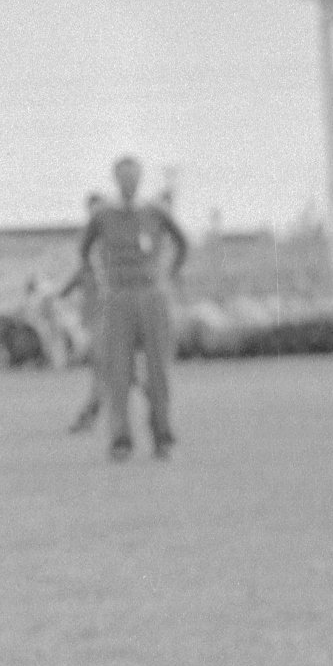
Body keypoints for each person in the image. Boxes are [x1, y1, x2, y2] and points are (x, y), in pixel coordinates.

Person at [75, 156, 191, 461]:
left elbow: (182, 243)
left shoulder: (155, 211)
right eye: (124, 178)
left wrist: (168, 273)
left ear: (140, 179)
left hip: (151, 296)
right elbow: (84, 251)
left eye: (134, 177)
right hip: (117, 297)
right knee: (118, 373)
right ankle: (121, 440)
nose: (130, 183)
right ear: (116, 179)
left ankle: (162, 435)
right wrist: (99, 278)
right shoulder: (102, 216)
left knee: (158, 372)